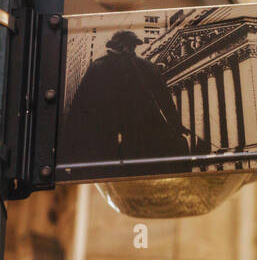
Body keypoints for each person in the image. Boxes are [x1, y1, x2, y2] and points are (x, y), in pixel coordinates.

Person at [62, 30, 190, 170]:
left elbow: (164, 98)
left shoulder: (143, 66)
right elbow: (81, 104)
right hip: (112, 130)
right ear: (118, 46)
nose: (129, 49)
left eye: (131, 46)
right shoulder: (101, 66)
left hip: (139, 129)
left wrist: (176, 125)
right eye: (127, 45)